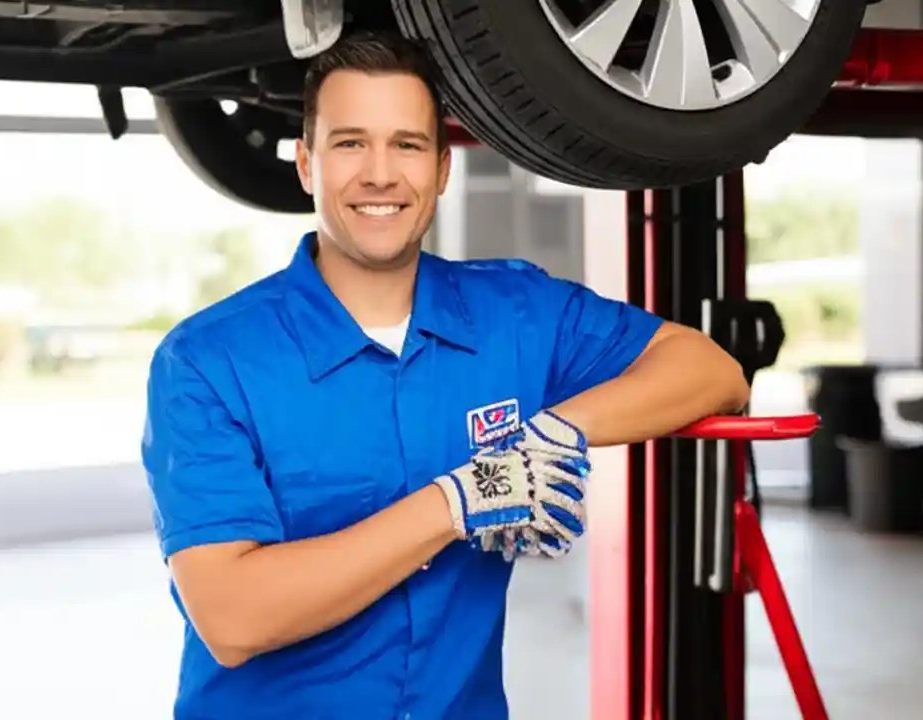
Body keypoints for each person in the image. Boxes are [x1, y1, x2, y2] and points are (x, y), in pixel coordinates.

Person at [140, 30, 750, 720]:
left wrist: (549, 434)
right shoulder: (208, 361)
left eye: (406, 144)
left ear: (441, 168)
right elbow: (233, 618)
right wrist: (458, 500)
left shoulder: (513, 314)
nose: (380, 174)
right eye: (350, 144)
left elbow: (710, 369)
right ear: (307, 164)